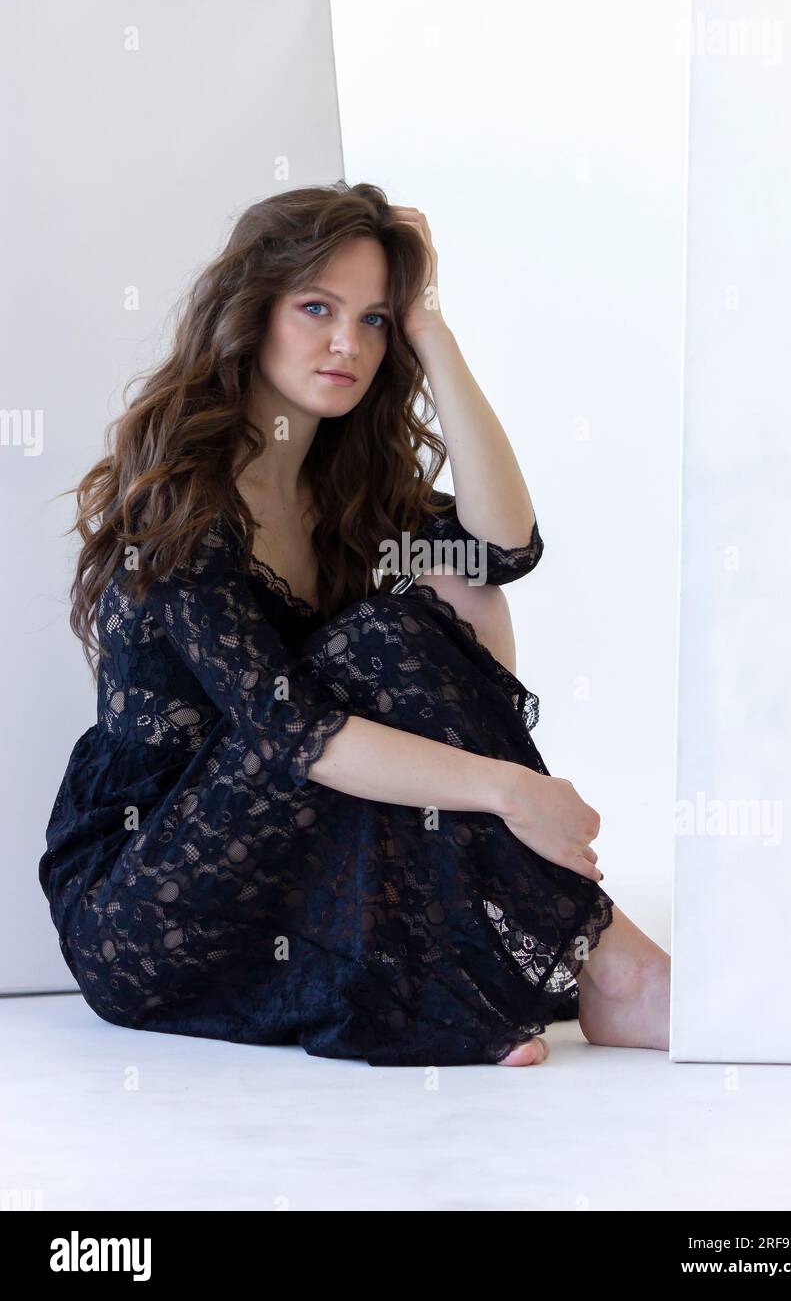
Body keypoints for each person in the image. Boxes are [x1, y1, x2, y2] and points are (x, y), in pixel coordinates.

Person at [39, 181, 670, 1067]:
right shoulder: (182, 502)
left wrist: (433, 329)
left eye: (373, 319)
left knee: (462, 586)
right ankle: (620, 968)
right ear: (250, 313)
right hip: (149, 911)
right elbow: (293, 734)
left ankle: (579, 967)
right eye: (316, 308)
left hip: (285, 879)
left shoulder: (343, 487)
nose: (348, 343)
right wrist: (508, 787)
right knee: (381, 642)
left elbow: (504, 548)